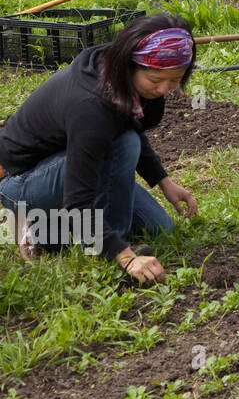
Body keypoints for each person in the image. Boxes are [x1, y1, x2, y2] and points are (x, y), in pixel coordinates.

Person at [0, 14, 200, 285]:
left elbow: (129, 124)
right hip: (21, 181)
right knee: (123, 144)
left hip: (74, 161)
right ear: (131, 65)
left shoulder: (117, 78)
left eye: (174, 80)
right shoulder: (91, 106)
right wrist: (125, 255)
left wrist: (163, 181)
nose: (163, 89)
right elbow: (77, 201)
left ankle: (84, 234)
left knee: (158, 227)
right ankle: (43, 231)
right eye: (155, 80)